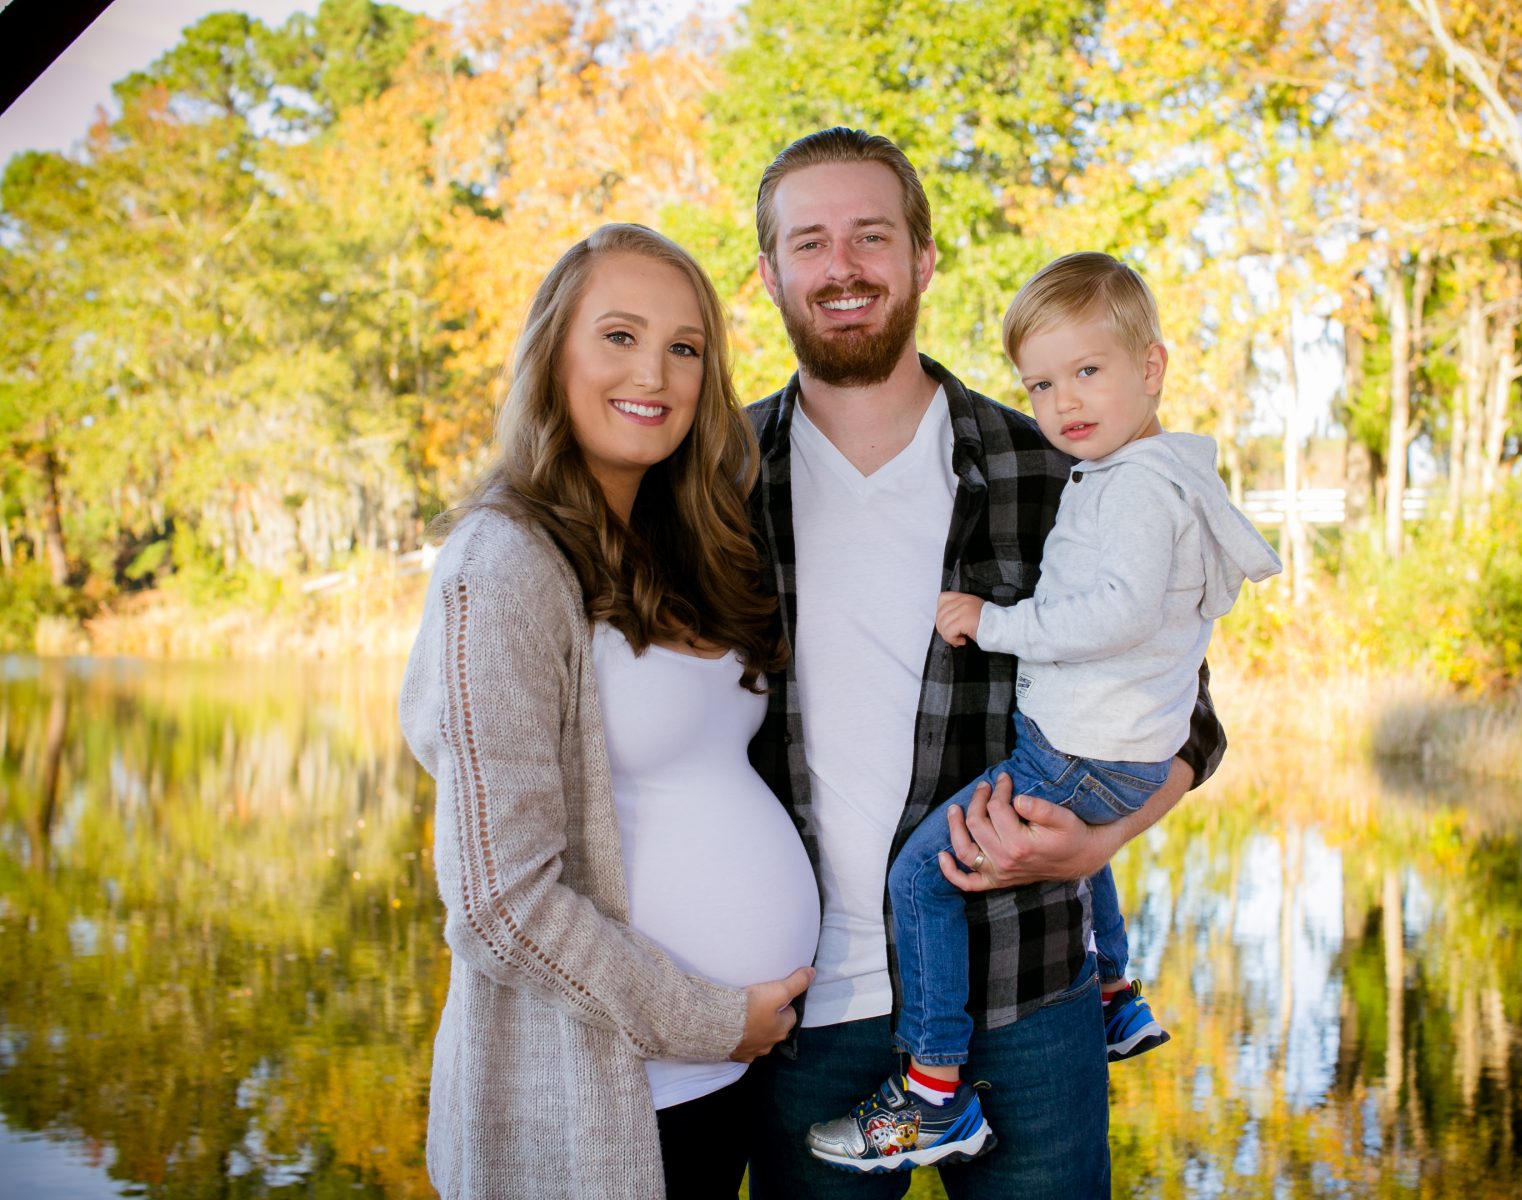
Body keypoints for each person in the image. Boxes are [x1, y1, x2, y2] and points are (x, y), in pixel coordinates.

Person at [740, 128, 1228, 1199]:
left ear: (922, 259)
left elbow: (1188, 714)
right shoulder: (719, 479)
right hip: (797, 1002)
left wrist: (1100, 837)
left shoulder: (1052, 463)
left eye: (873, 235)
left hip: (1030, 990)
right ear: (769, 273)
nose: (845, 266)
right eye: (810, 242)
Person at [807, 251, 1283, 1171]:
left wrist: (996, 623)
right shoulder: (1123, 469)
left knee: (921, 878)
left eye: (1088, 372)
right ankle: (1117, 990)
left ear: (1152, 368)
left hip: (1042, 942)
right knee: (1066, 803)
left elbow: (1140, 632)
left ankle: (933, 1094)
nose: (1062, 401)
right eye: (1041, 382)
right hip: (824, 994)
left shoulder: (1107, 479)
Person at [398, 223, 820, 1200]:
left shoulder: (679, 542)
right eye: (620, 336)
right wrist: (711, 1018)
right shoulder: (501, 567)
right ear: (554, 354)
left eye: (685, 347)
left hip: (724, 1078)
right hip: (611, 1091)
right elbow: (502, 905)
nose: (657, 372)